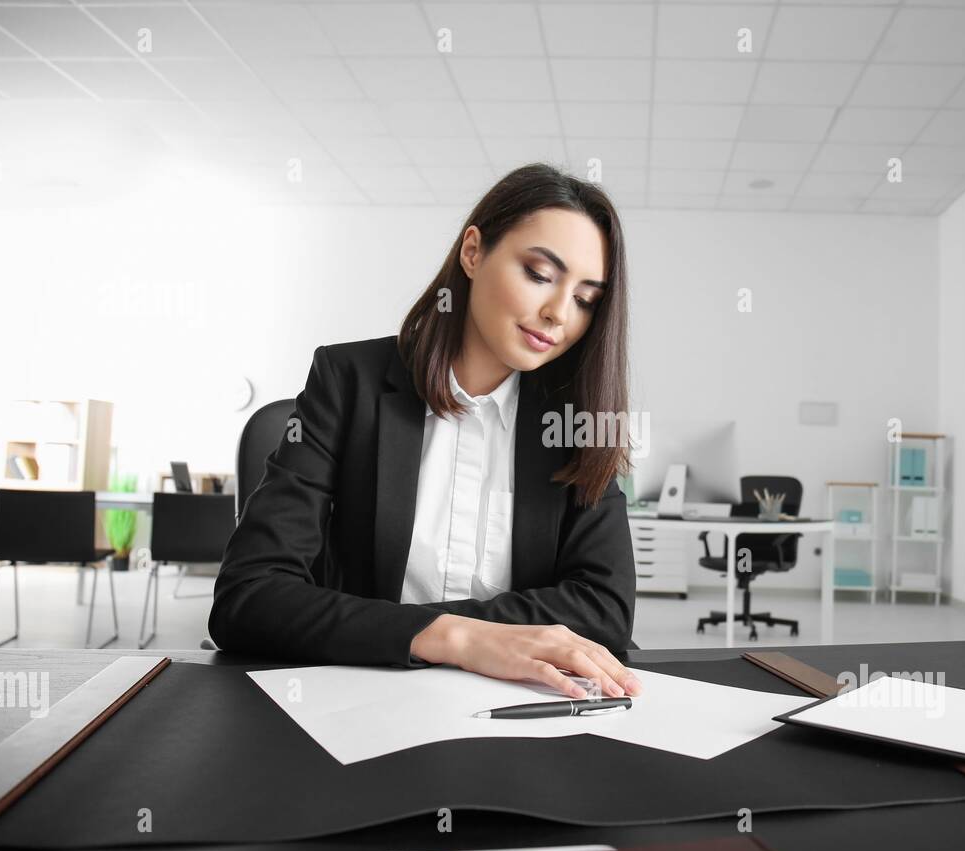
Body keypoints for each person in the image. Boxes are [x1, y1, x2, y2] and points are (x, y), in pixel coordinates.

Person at [209, 164, 643, 700]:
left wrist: (431, 630)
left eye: (584, 299)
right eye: (538, 274)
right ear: (473, 252)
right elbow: (248, 596)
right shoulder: (347, 382)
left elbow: (604, 610)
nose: (559, 314)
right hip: (363, 697)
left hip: (523, 703)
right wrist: (454, 638)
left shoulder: (575, 419)